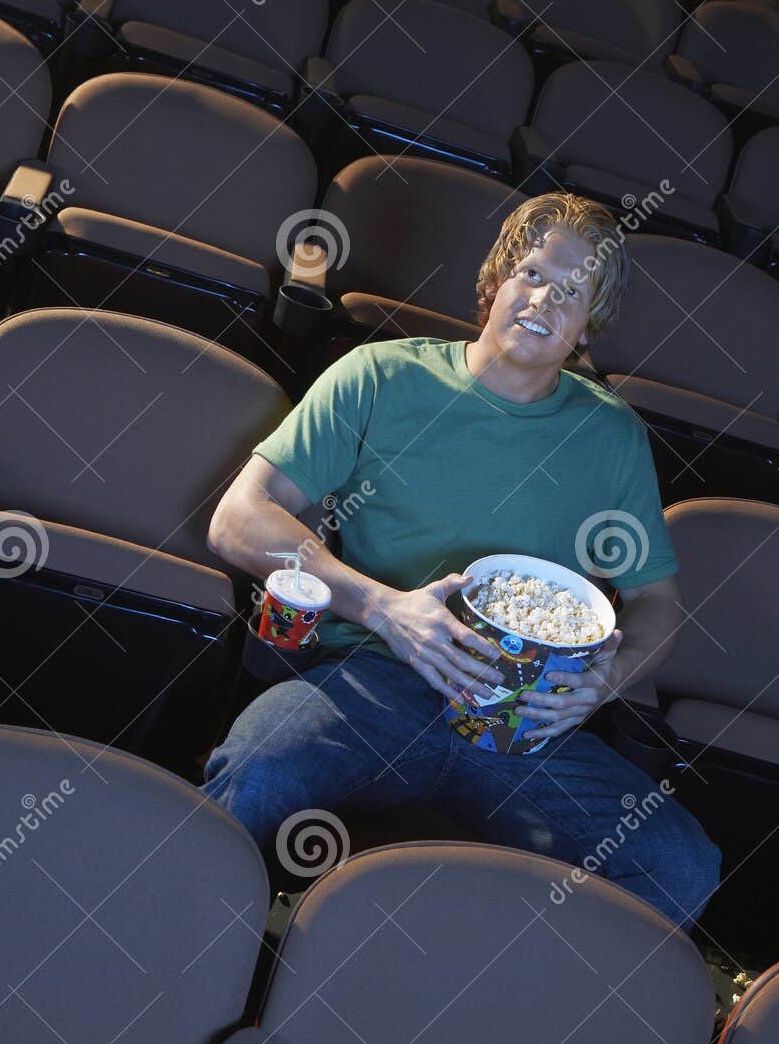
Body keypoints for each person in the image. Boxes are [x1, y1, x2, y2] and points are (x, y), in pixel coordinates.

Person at [203, 192, 720, 929]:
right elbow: (237, 520)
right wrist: (379, 605)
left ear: (587, 328)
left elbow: (655, 602)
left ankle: (495, 1009)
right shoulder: (379, 376)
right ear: (493, 282)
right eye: (534, 274)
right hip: (375, 679)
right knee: (255, 775)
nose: (545, 300)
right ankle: (201, 963)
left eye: (573, 292)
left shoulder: (611, 438)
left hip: (523, 718)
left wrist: (606, 681)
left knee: (680, 865)